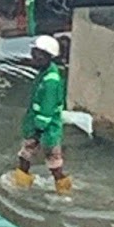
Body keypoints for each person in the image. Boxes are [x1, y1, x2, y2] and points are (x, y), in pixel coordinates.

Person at [13, 34, 72, 194]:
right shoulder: (46, 74)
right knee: (25, 156)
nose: (33, 58)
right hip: (38, 127)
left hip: (46, 130)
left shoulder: (50, 81)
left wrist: (38, 129)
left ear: (47, 56)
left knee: (53, 163)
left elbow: (47, 108)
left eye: (37, 55)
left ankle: (63, 189)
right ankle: (22, 182)